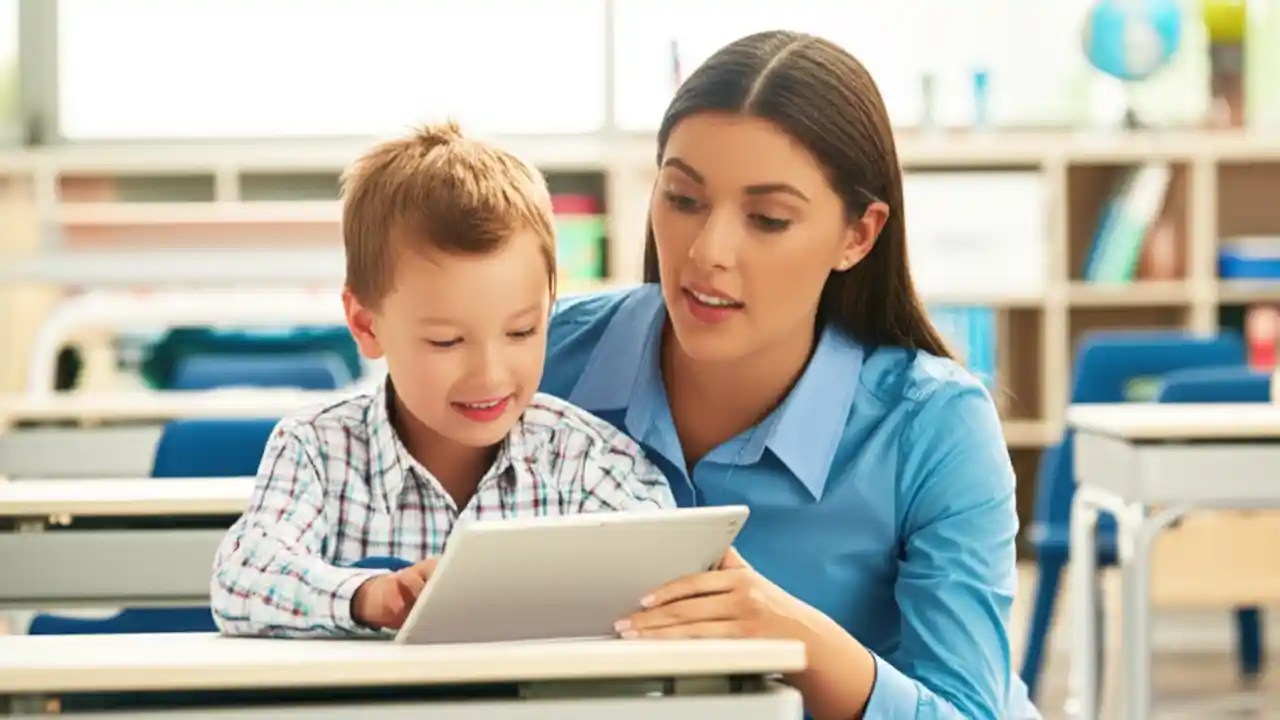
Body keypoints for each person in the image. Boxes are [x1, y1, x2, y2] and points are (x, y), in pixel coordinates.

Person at [540, 31, 1040, 720]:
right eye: (682, 199)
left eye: (768, 219)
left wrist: (797, 643)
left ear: (857, 236)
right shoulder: (537, 361)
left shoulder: (934, 424)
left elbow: (968, 711)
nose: (707, 251)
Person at [211, 122, 674, 637]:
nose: (490, 374)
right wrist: (366, 596)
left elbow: (669, 575)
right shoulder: (317, 450)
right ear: (367, 325)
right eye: (447, 342)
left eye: (522, 331)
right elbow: (242, 578)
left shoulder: (586, 459)